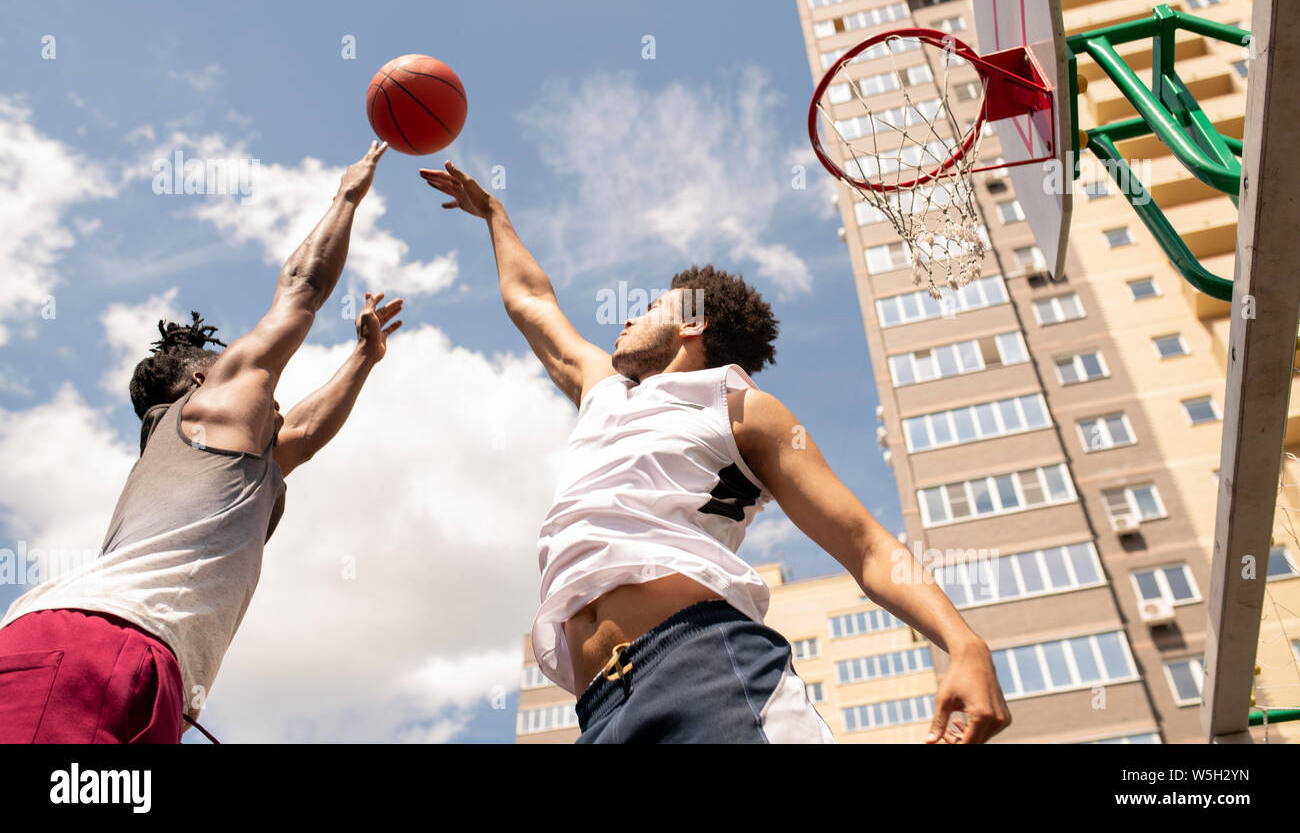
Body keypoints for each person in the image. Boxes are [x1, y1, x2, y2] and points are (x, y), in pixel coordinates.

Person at [422, 160, 1011, 744]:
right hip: (598, 709)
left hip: (705, 667)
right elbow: (532, 301)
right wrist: (494, 214)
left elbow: (863, 543)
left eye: (651, 307)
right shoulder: (604, 390)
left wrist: (965, 643)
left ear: (691, 324)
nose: (628, 316)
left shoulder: (739, 407)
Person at [0, 141, 401, 743]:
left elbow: (306, 434)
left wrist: (364, 358)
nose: (270, 402)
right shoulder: (214, 403)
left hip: (142, 662)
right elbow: (300, 290)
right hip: (95, 644)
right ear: (201, 380)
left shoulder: (233, 465)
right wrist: (348, 194)